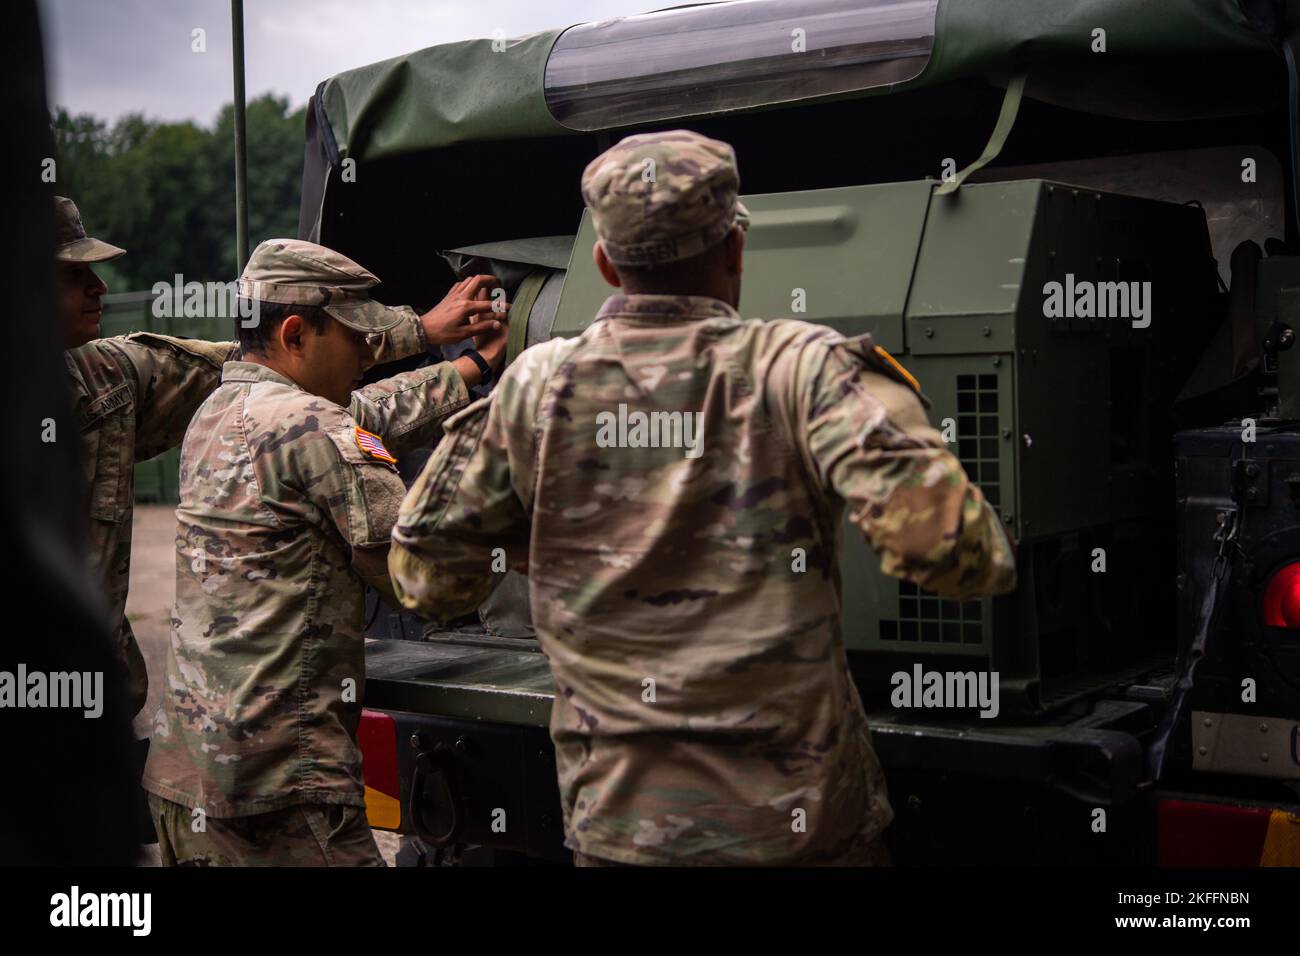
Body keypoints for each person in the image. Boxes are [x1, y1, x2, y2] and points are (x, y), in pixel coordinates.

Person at [387, 130, 1018, 866]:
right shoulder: (803, 368)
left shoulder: (536, 385)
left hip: (622, 829)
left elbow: (424, 580)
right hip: (799, 830)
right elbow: (963, 557)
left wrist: (547, 553)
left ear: (603, 262)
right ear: (735, 251)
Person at [142, 239, 508, 865]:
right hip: (281, 789)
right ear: (294, 334)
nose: (370, 355)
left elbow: (363, 411)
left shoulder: (218, 411)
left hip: (187, 776)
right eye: (359, 340)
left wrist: (471, 367)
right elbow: (424, 578)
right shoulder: (317, 429)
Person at [59, 195, 237, 718]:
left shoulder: (102, 378)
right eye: (73, 275)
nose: (100, 287)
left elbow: (263, 361)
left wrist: (419, 333)